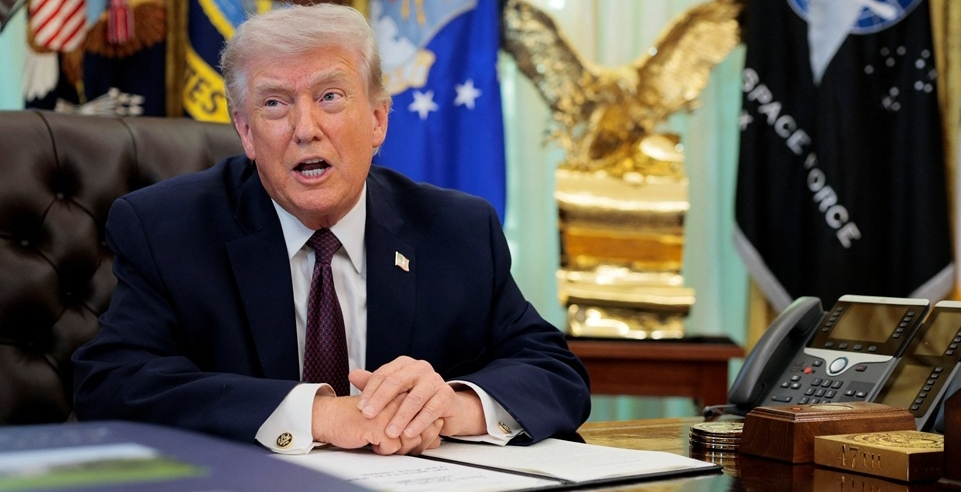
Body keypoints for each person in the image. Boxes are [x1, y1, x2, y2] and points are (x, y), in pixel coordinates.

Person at [72, 3, 590, 456]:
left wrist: (451, 407)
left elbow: (554, 371)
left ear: (378, 120)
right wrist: (319, 415)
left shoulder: (456, 230)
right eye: (274, 104)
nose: (305, 129)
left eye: (330, 97)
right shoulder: (167, 229)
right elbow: (112, 384)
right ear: (246, 132)